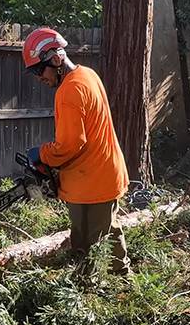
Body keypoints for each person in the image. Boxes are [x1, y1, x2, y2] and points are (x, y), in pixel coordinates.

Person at [21, 27, 131, 276]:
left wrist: (42, 154)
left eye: (39, 70)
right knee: (83, 239)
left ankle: (122, 284)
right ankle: (87, 282)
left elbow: (71, 144)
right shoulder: (87, 75)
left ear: (56, 59)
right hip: (90, 176)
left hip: (96, 178)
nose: (39, 78)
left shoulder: (69, 91)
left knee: (103, 240)